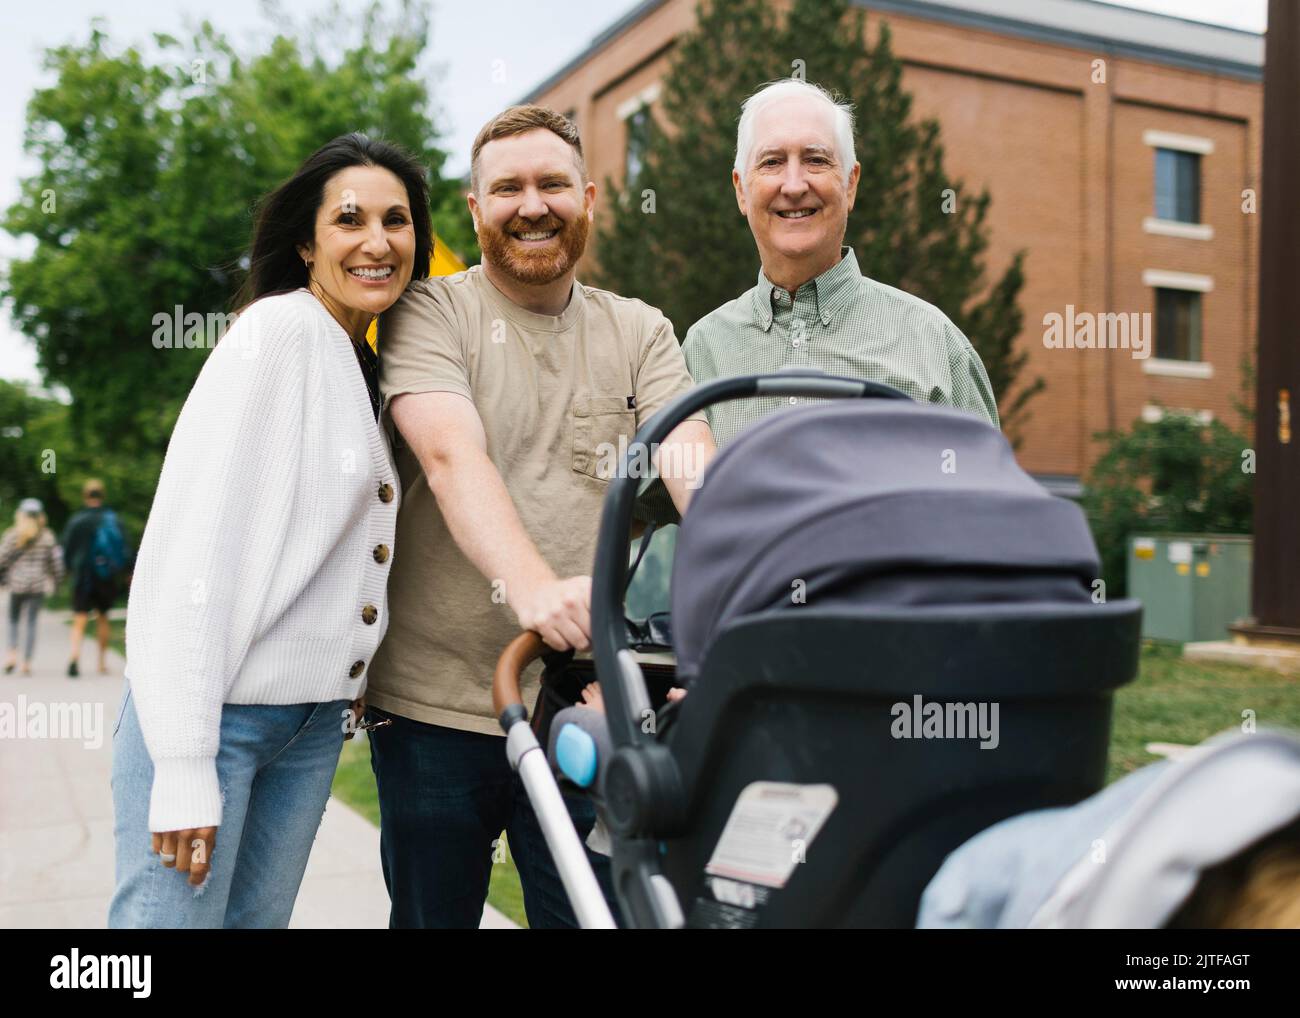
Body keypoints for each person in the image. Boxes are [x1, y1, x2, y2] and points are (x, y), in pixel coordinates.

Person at [368, 104, 715, 928]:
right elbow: (453, 457)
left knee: (586, 915)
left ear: (589, 196)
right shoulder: (428, 313)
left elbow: (692, 458)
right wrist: (532, 590)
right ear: (475, 208)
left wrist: (762, 579)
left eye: (553, 183)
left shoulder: (641, 330)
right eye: (509, 188)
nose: (533, 205)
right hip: (433, 706)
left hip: (580, 701)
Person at [109, 132, 424, 928]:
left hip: (311, 723)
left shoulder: (360, 359)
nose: (377, 241)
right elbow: (192, 553)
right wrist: (183, 760)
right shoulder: (277, 334)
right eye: (349, 219)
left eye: (398, 220)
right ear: (306, 242)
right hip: (220, 721)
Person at [682, 78, 1001, 447]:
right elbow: (664, 504)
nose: (794, 185)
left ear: (850, 184)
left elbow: (988, 500)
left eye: (816, 160)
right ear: (741, 190)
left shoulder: (935, 344)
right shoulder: (702, 349)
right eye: (772, 162)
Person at [60, 479, 132, 677]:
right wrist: (127, 571)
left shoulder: (76, 520)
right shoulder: (113, 519)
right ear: (102, 495)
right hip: (105, 575)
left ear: (85, 496)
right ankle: (101, 662)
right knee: (103, 617)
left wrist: (67, 570)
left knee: (80, 617)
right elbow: (125, 548)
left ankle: (75, 656)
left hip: (82, 575)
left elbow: (66, 549)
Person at [0, 498, 65, 675]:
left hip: (16, 585)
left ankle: (12, 655)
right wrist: (57, 582)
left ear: (20, 514)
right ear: (41, 516)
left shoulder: (12, 535)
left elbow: (2, 559)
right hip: (37, 586)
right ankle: (26, 663)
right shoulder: (48, 537)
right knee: (31, 623)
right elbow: (56, 563)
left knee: (13, 620)